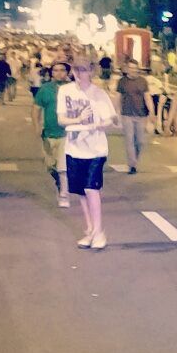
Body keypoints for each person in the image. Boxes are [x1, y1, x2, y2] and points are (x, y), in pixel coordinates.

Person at [58, 56, 118, 250]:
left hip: (96, 149)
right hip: (74, 147)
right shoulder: (65, 91)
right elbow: (61, 120)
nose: (79, 74)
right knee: (81, 192)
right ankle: (90, 229)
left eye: (83, 70)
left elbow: (110, 119)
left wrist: (96, 125)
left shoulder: (98, 94)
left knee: (92, 189)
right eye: (76, 70)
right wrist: (78, 119)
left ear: (91, 71)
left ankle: (99, 232)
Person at [32, 61, 72, 207]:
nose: (59, 73)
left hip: (66, 133)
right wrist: (37, 125)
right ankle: (60, 182)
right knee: (50, 165)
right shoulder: (45, 89)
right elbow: (36, 108)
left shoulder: (73, 89)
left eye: (62, 70)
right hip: (48, 133)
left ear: (67, 73)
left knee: (63, 166)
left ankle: (64, 194)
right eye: (55, 70)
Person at [115, 59, 152, 174]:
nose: (133, 70)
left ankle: (135, 159)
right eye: (130, 68)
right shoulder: (122, 81)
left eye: (135, 68)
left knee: (140, 141)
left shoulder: (142, 81)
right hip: (127, 114)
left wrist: (152, 112)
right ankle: (132, 164)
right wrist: (116, 112)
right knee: (129, 140)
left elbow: (147, 97)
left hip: (141, 114)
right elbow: (118, 97)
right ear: (127, 69)